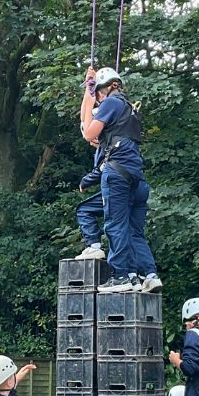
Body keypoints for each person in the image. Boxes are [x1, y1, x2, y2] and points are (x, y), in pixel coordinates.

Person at [79, 65, 161, 293]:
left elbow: (88, 132)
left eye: (97, 95)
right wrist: (89, 90)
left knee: (115, 225)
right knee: (134, 231)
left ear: (102, 90)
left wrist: (88, 90)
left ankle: (122, 276)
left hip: (117, 173)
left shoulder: (111, 103)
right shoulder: (129, 110)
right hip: (136, 177)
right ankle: (147, 274)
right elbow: (91, 131)